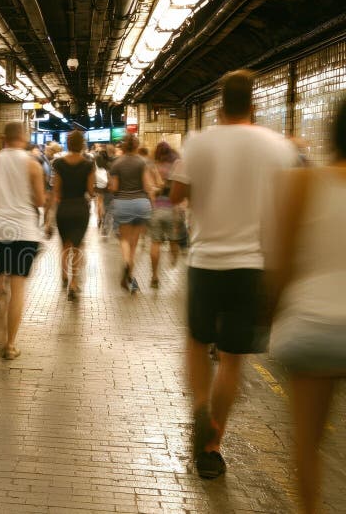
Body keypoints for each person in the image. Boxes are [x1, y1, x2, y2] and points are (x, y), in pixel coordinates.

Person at [169, 69, 297, 479]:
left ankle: (199, 409)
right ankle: (212, 447)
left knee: (196, 342)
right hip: (253, 266)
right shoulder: (278, 147)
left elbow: (175, 197)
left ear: (219, 104)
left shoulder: (199, 142)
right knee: (231, 359)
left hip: (206, 261)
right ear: (254, 104)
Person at [267, 100, 346, 513]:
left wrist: (272, 316)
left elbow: (280, 264)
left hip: (312, 329)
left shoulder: (302, 183)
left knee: (308, 444)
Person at [0, 122, 45, 359]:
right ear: (24, 137)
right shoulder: (32, 164)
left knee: (4, 281)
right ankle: (9, 344)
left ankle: (1, 325)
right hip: (24, 231)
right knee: (18, 288)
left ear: (4, 138)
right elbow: (39, 200)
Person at [51, 130, 95, 301]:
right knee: (76, 247)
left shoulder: (58, 163)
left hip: (64, 208)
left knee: (64, 244)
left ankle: (63, 275)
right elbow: (91, 192)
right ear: (82, 144)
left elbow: (56, 190)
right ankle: (74, 282)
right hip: (80, 209)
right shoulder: (89, 164)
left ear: (68, 144)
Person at [108, 133, 153, 294]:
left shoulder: (116, 164)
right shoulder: (143, 162)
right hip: (141, 204)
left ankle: (126, 263)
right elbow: (148, 186)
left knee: (124, 240)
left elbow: (113, 188)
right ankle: (131, 280)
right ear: (136, 146)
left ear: (124, 146)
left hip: (123, 204)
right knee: (134, 244)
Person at [148, 141, 183, 288]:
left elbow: (150, 191)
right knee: (174, 241)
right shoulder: (176, 165)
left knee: (155, 243)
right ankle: (174, 257)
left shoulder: (152, 167)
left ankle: (155, 276)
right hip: (173, 209)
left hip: (156, 209)